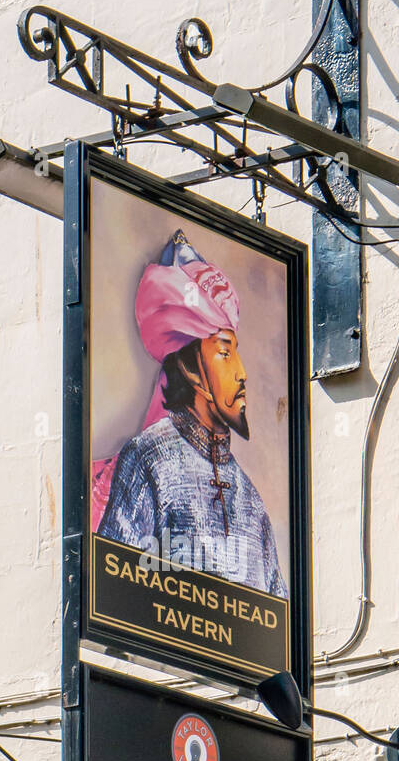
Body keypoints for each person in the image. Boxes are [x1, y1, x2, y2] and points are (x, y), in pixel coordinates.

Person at [97, 229, 288, 600]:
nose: (242, 371)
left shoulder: (250, 499)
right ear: (191, 368)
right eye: (224, 351)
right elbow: (114, 594)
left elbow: (277, 631)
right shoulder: (148, 460)